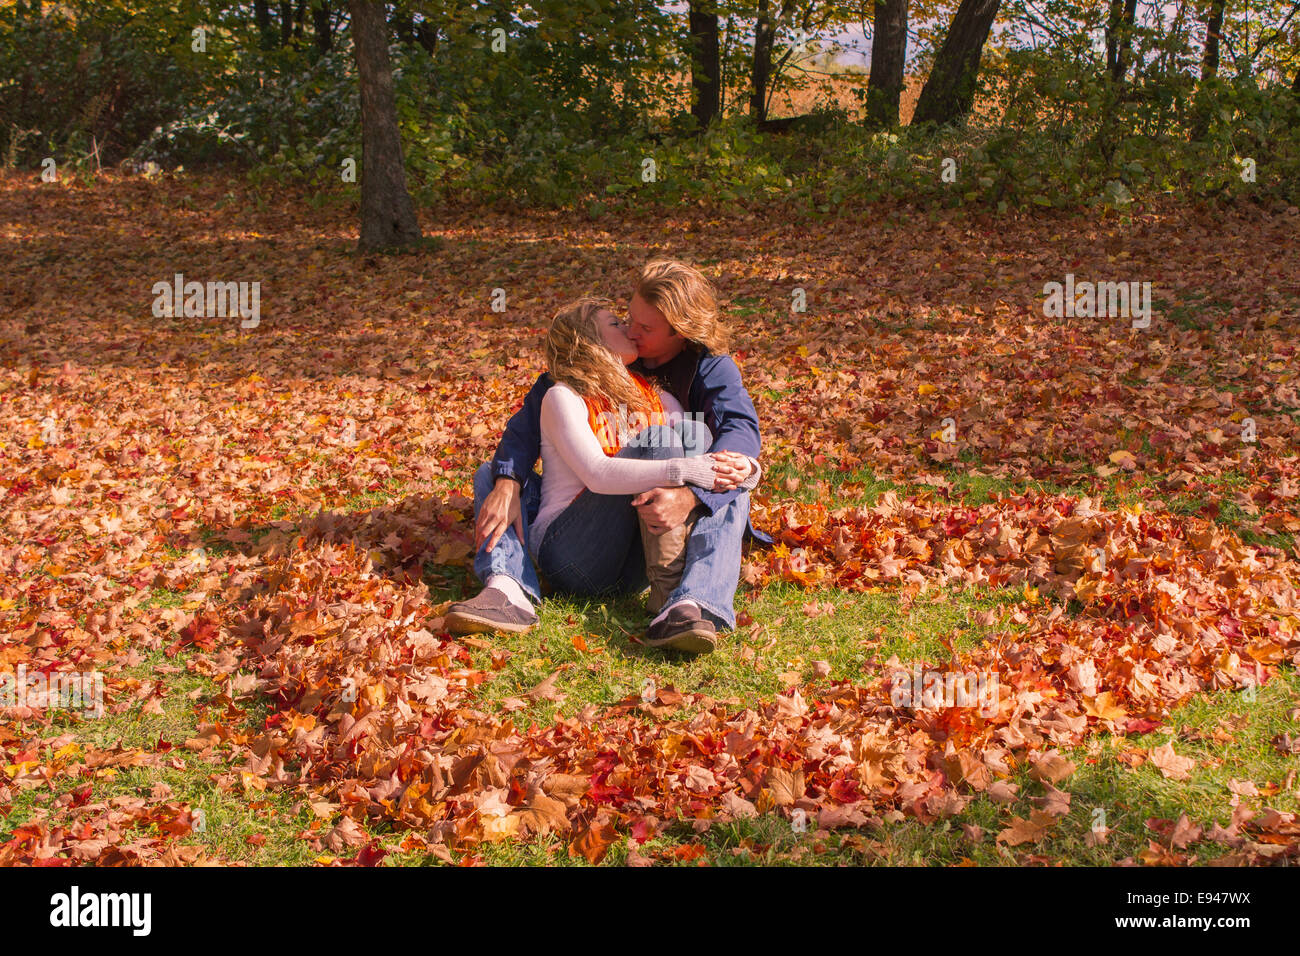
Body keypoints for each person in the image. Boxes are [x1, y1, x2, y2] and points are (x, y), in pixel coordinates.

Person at [450, 259, 769, 653]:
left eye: (645, 328)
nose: (632, 332)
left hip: (641, 535)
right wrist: (507, 480)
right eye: (626, 319)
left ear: (681, 331)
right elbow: (524, 429)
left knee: (724, 465)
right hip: (585, 526)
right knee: (492, 475)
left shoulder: (707, 371)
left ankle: (692, 602)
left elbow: (739, 435)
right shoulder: (569, 382)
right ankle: (507, 588)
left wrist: (694, 492)